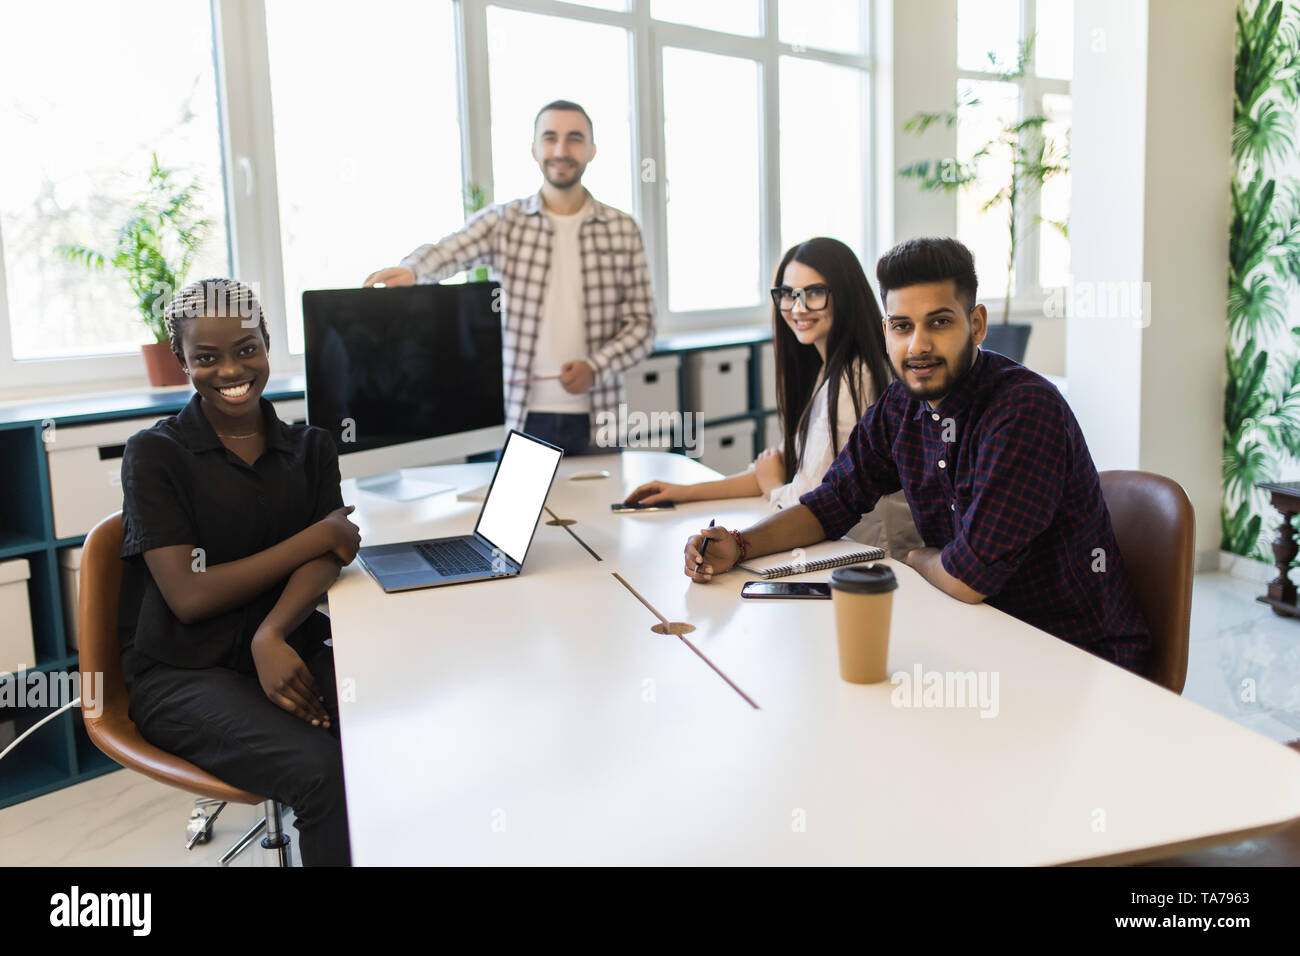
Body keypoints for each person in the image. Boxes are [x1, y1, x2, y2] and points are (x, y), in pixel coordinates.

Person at [680, 238, 1152, 674]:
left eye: (940, 322)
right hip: (978, 637)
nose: (918, 345)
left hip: (1077, 658)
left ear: (977, 324)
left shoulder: (1023, 412)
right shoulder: (901, 406)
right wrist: (739, 546)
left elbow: (969, 579)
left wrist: (916, 556)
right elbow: (831, 503)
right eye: (902, 326)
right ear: (886, 330)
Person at [119, 278, 359, 866]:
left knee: (394, 724)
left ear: (267, 343)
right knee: (322, 771)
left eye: (246, 348)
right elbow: (190, 596)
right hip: (183, 674)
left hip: (284, 645)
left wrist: (271, 632)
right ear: (182, 361)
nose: (231, 369)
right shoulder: (155, 454)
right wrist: (316, 534)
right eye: (206, 357)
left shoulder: (311, 446)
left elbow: (326, 555)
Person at [364, 99, 656, 457]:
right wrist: (412, 270)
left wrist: (596, 368)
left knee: (602, 513)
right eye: (550, 138)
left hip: (599, 420)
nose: (561, 150)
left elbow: (643, 325)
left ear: (592, 150)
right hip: (522, 417)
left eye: (574, 139)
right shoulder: (505, 222)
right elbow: (449, 250)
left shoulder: (622, 229)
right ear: (534, 148)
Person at [624, 237, 921, 557]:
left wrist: (772, 487)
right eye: (788, 295)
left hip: (870, 559)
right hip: (844, 551)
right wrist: (683, 493)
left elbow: (809, 507)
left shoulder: (852, 383)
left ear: (845, 295)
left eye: (814, 293)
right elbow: (776, 464)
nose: (798, 307)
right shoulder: (830, 371)